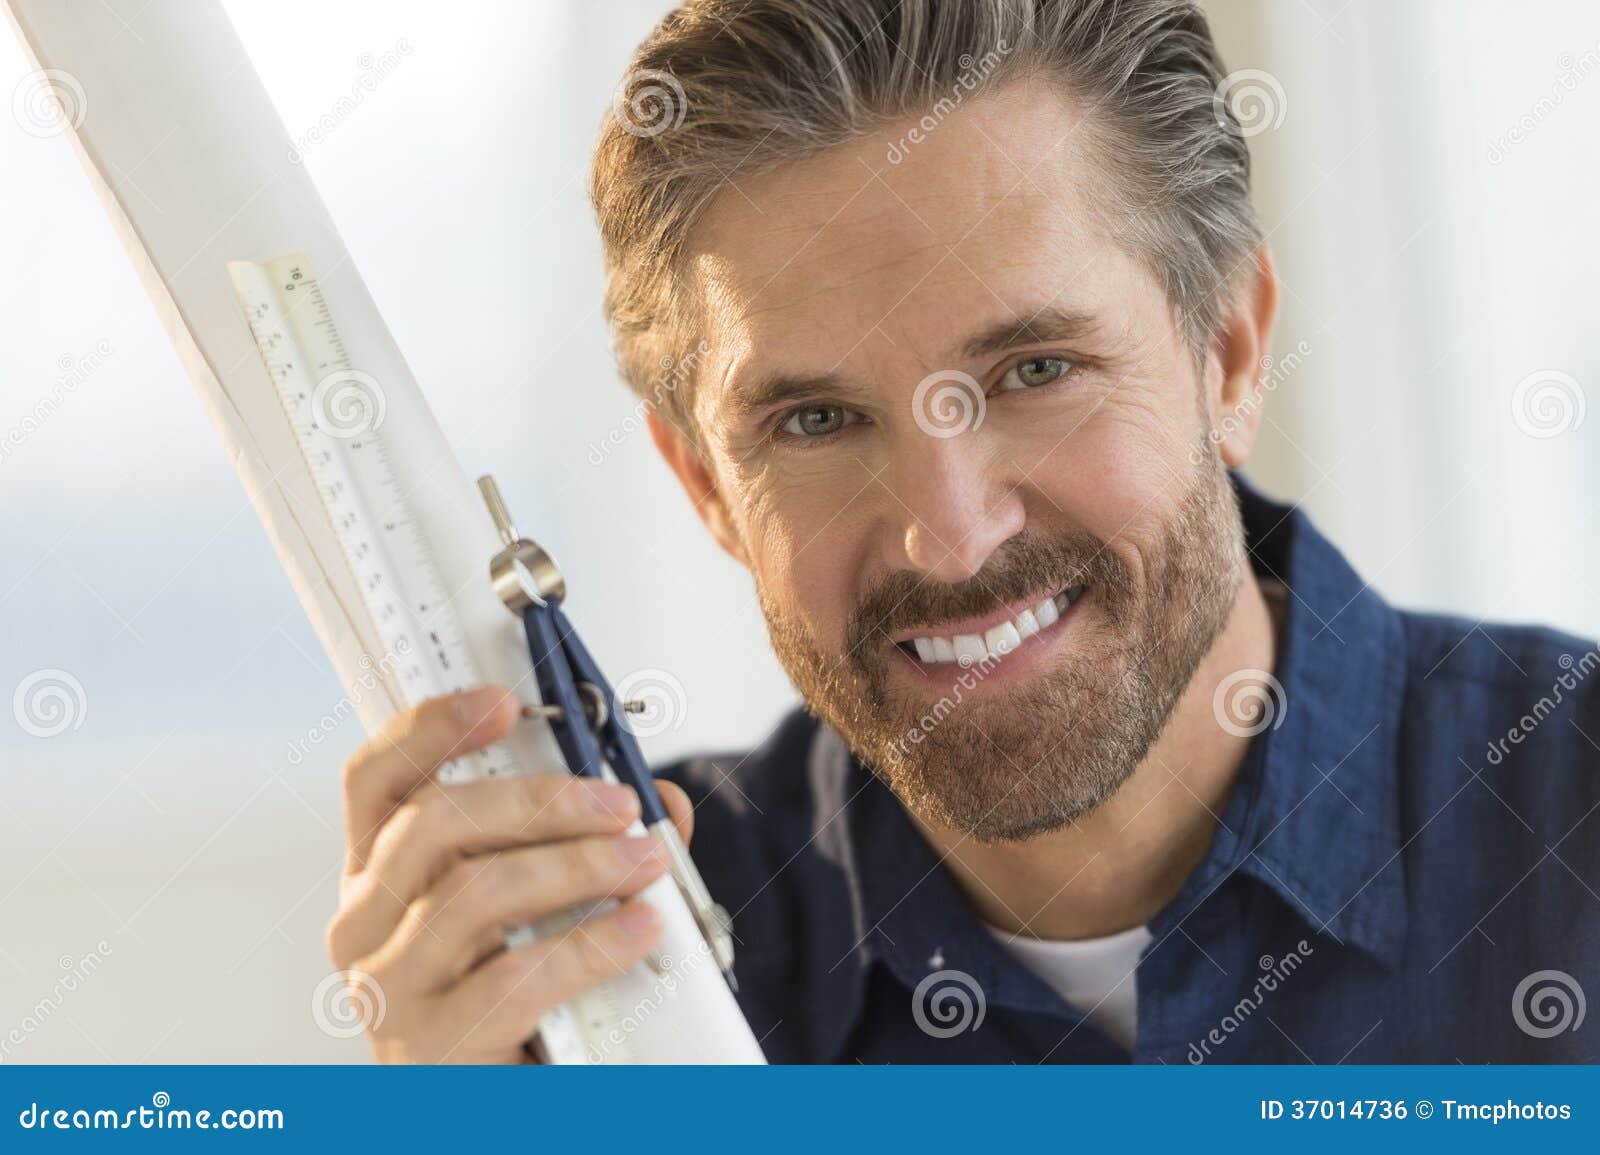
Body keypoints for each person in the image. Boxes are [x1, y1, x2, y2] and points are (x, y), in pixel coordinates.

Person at [327, 0, 1599, 1063]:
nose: (949, 537)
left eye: (1036, 371)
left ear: (1228, 352)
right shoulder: (616, 980)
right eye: (818, 419)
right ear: (706, 484)